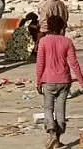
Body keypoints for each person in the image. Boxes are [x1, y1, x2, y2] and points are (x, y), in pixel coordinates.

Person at [36, 15, 83, 149]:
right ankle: (58, 137)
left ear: (48, 27)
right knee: (60, 109)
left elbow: (40, 64)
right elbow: (74, 63)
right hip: (64, 81)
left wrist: (38, 81)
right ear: (62, 27)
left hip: (48, 81)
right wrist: (81, 81)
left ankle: (52, 135)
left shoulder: (44, 41)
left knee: (48, 109)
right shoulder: (67, 41)